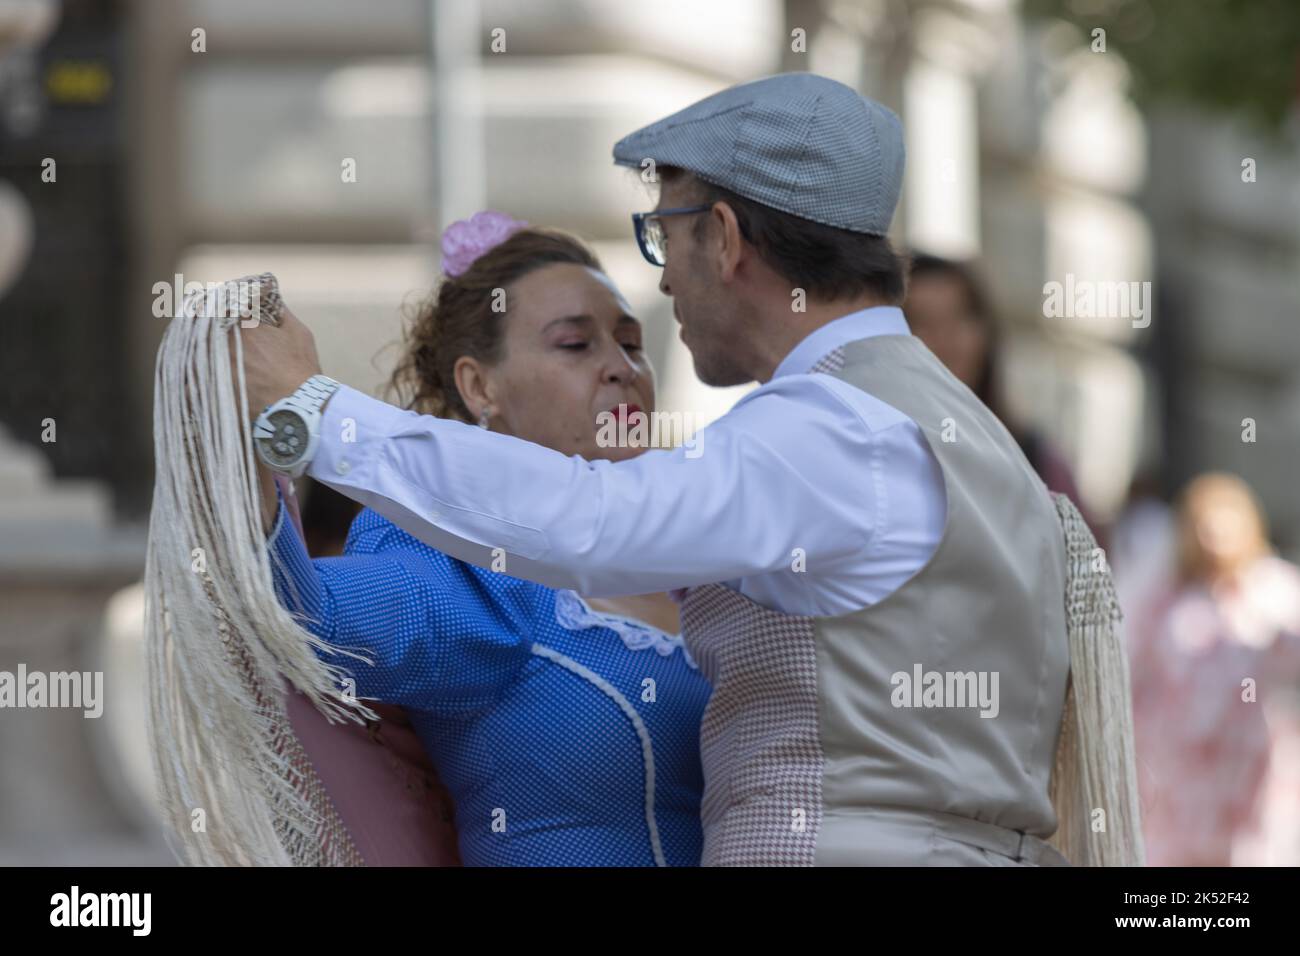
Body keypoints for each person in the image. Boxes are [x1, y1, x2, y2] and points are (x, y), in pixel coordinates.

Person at [237, 73, 1142, 866]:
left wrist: (311, 410)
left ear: (724, 236)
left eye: (661, 234)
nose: (663, 284)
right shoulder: (967, 434)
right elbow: (317, 612)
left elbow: (592, 523)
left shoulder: (827, 430)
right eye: (575, 341)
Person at [261, 216, 710, 866]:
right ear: (480, 388)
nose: (622, 369)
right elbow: (301, 612)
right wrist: (260, 426)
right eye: (576, 345)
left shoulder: (712, 548)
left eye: (633, 343)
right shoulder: (466, 561)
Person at [1128, 473, 1300, 865]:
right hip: (1175, 778)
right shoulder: (1160, 595)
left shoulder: (1274, 588)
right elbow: (1131, 668)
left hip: (1250, 775)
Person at [904, 252, 1101, 539]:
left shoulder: (1034, 457)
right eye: (924, 322)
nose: (944, 338)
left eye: (959, 318)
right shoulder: (885, 450)